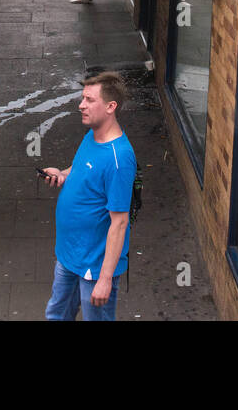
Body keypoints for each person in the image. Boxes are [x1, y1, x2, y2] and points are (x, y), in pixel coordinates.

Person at [41, 71, 137, 321]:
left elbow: (120, 222)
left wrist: (105, 279)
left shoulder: (119, 159)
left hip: (94, 265)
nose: (81, 105)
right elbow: (79, 170)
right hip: (69, 254)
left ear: (110, 107)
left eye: (89, 100)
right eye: (82, 98)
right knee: (56, 314)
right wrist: (62, 175)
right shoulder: (91, 137)